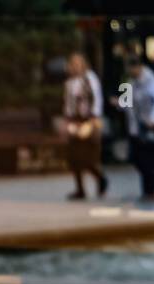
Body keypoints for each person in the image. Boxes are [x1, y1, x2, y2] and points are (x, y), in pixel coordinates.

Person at [62, 52, 105, 199]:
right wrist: (68, 120)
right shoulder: (69, 83)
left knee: (88, 157)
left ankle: (101, 179)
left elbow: (97, 99)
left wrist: (93, 118)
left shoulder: (90, 79)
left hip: (89, 120)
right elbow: (68, 103)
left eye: (77, 64)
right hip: (75, 120)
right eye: (72, 64)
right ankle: (80, 189)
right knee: (74, 157)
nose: (74, 67)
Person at [126, 56, 154, 203]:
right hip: (135, 127)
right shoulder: (130, 82)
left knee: (146, 159)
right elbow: (127, 103)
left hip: (148, 126)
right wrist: (118, 102)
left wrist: (153, 120)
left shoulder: (150, 81)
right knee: (135, 158)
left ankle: (149, 191)